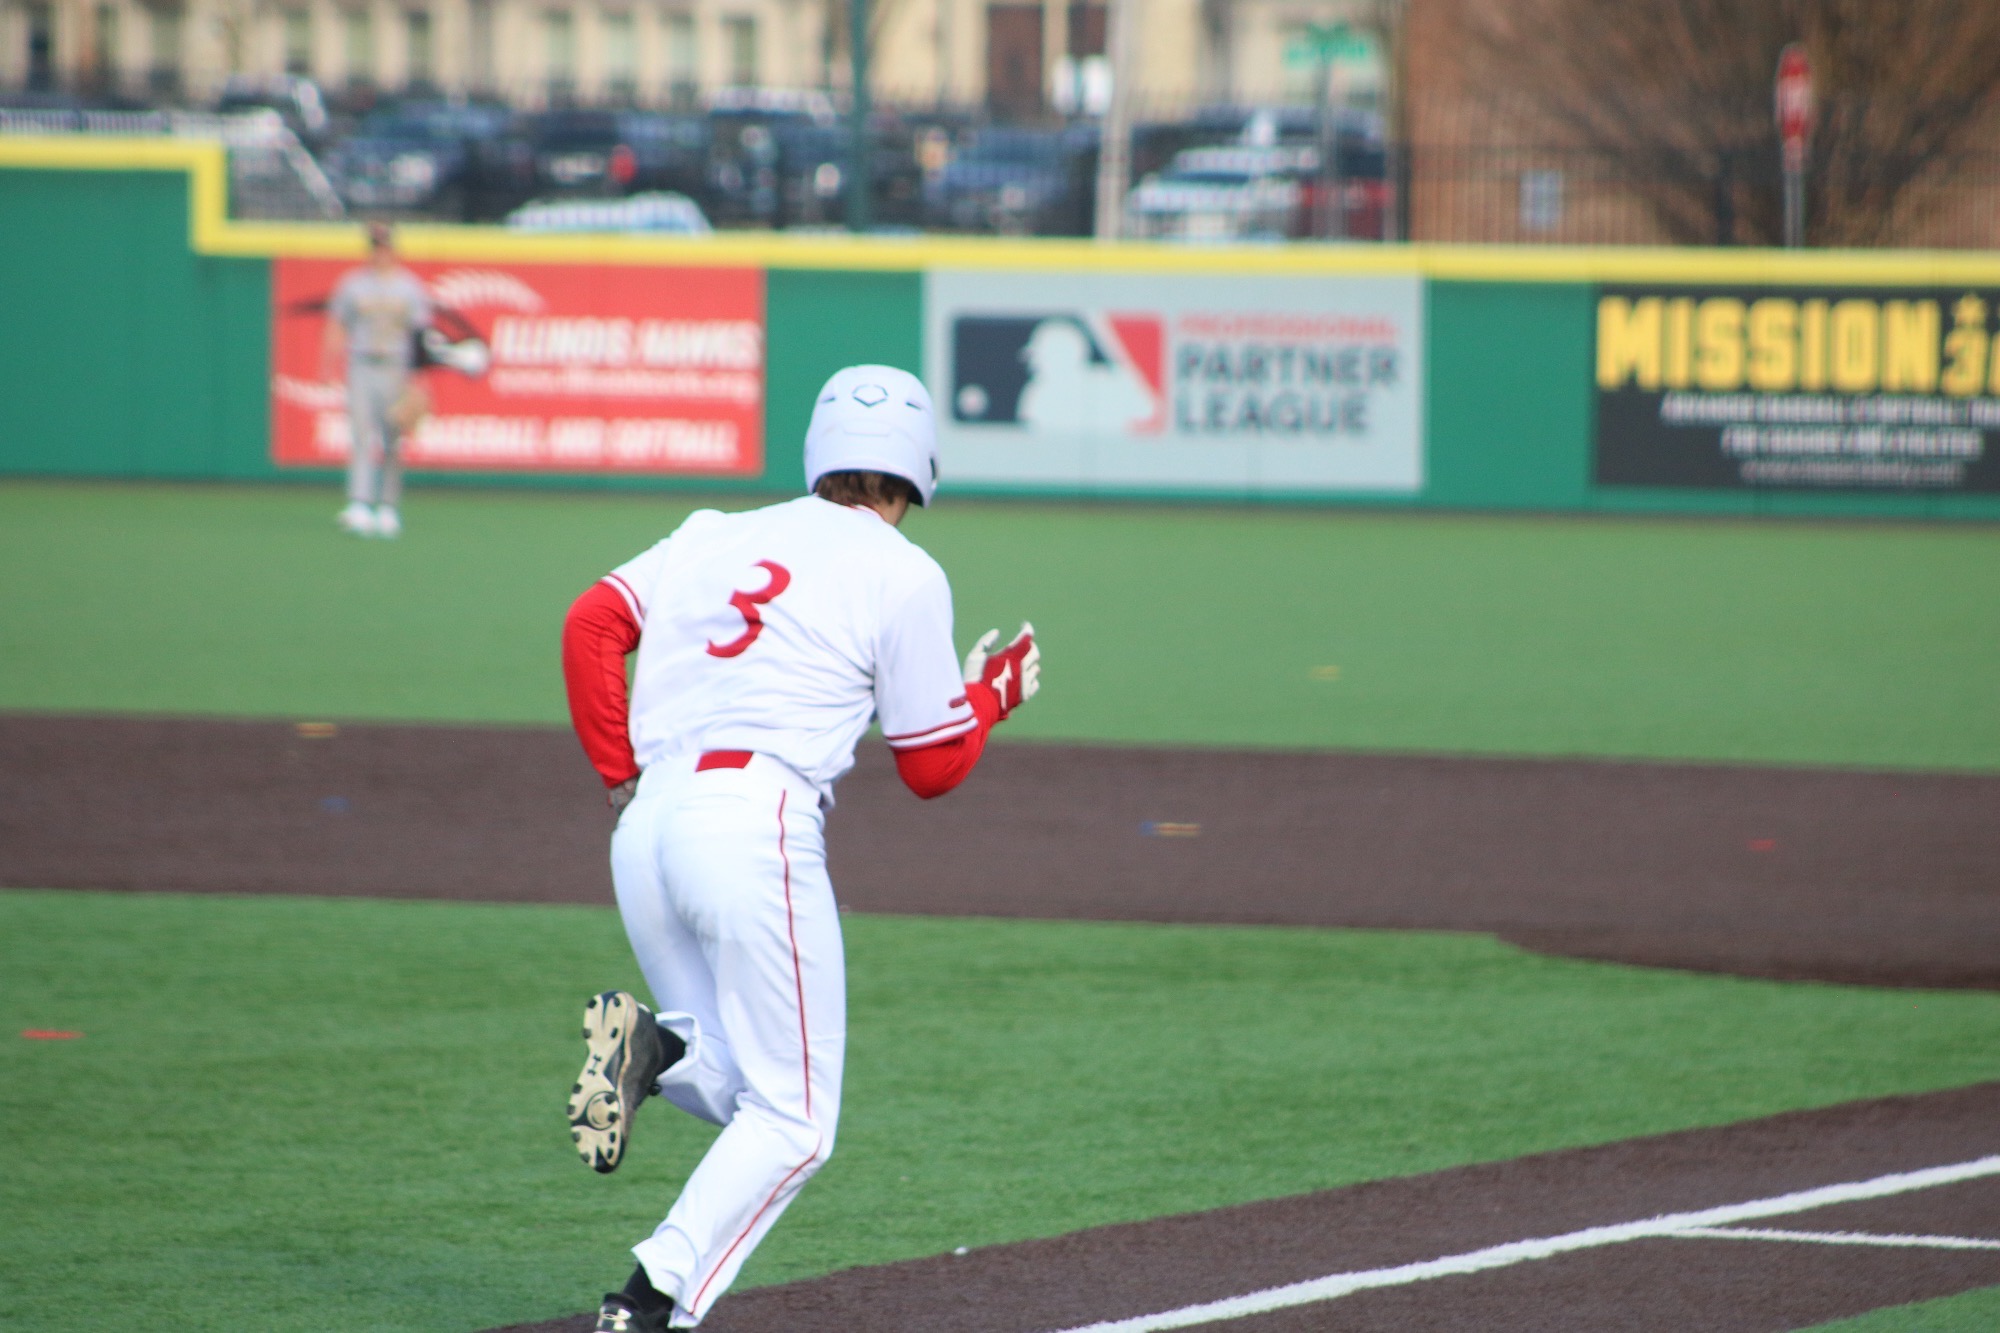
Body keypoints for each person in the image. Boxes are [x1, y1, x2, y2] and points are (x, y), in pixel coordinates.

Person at [558, 365, 1041, 1332]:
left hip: (646, 827)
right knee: (796, 1119)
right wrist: (997, 692)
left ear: (820, 453)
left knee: (741, 1077)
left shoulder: (715, 534)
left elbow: (592, 623)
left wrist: (620, 769)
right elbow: (933, 763)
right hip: (754, 822)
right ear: (918, 472)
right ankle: (650, 1300)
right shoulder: (904, 570)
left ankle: (654, 1046)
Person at [321, 220, 430, 539]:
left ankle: (387, 507)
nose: (380, 253)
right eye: (376, 247)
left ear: (393, 251)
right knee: (360, 434)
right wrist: (328, 363)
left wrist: (419, 377)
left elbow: (419, 334)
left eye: (385, 247)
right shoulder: (353, 284)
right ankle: (359, 503)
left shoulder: (409, 287)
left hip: (396, 365)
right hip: (362, 363)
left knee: (393, 438)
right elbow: (337, 324)